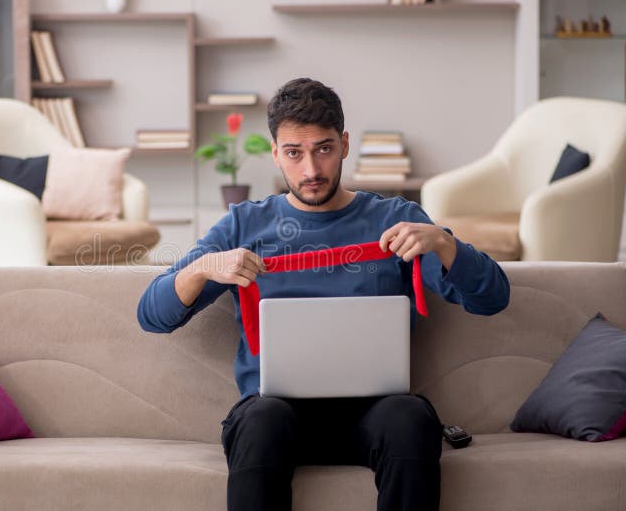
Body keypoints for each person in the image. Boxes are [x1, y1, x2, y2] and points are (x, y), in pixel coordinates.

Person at [136, 77, 510, 511]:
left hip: (375, 415)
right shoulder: (243, 226)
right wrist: (203, 268)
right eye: (294, 153)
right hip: (273, 417)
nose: (311, 170)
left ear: (344, 144)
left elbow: (493, 298)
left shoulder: (395, 219)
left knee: (409, 416)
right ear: (275, 153)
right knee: (260, 420)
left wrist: (444, 243)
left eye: (324, 149)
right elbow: (152, 315)